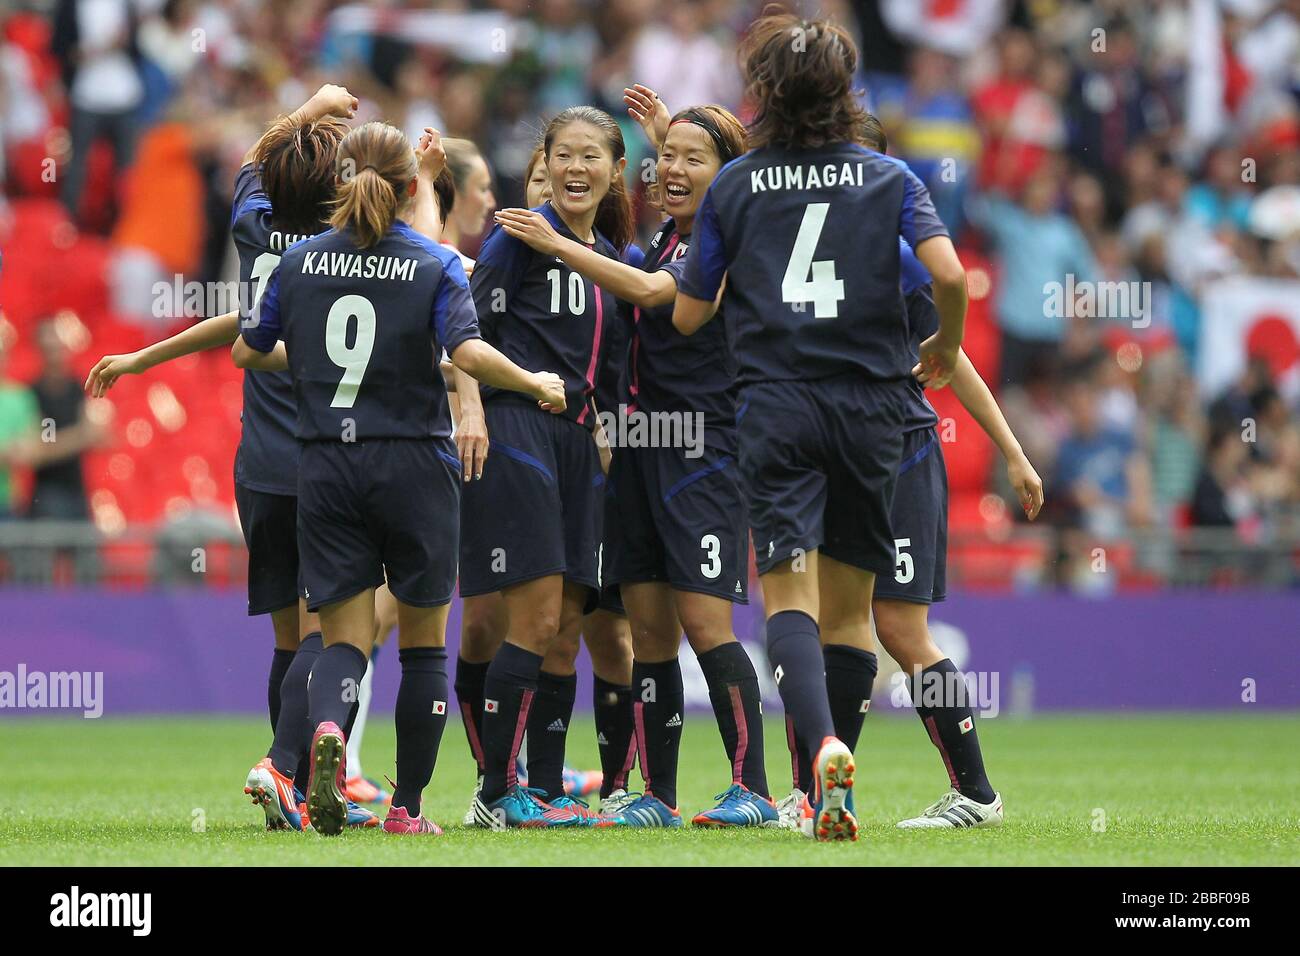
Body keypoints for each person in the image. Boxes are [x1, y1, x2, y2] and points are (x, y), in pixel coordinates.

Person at [672, 12, 968, 842]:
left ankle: (820, 761)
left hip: (778, 407)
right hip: (875, 412)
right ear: (845, 91)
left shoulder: (733, 186)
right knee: (853, 616)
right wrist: (945, 338)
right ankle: (839, 766)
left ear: (762, 93)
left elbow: (692, 315)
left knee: (788, 601)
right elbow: (949, 273)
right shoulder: (889, 176)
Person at [233, 120, 566, 836]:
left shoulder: (299, 264)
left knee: (344, 640)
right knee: (421, 646)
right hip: (413, 464)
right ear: (416, 188)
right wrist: (535, 381)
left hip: (323, 465)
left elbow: (249, 349)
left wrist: (316, 368)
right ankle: (409, 809)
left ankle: (327, 732)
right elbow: (470, 353)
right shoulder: (436, 263)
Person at [492, 86, 775, 828]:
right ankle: (657, 794)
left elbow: (656, 294)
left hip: (703, 450)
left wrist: (562, 246)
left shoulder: (720, 241)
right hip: (642, 454)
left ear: (730, 175)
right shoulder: (672, 236)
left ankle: (757, 789)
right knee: (647, 631)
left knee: (707, 625)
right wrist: (668, 138)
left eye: (692, 161)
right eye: (666, 160)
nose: (672, 171)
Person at [774, 113, 1042, 832]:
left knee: (895, 626)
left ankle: (976, 794)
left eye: (855, 159)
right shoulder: (804, 245)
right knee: (849, 623)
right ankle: (822, 795)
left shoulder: (895, 256)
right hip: (836, 452)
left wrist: (1012, 450)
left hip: (901, 451)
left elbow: (950, 362)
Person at [461, 105, 633, 829]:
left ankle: (547, 788)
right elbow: (462, 330)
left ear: (617, 170)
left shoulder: (612, 261)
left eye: (591, 155)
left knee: (565, 624)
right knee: (530, 617)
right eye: (563, 153)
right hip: (521, 425)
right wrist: (471, 407)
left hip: (580, 442)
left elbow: (618, 372)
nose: (575, 168)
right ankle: (496, 794)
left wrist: (612, 436)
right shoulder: (517, 239)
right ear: (544, 162)